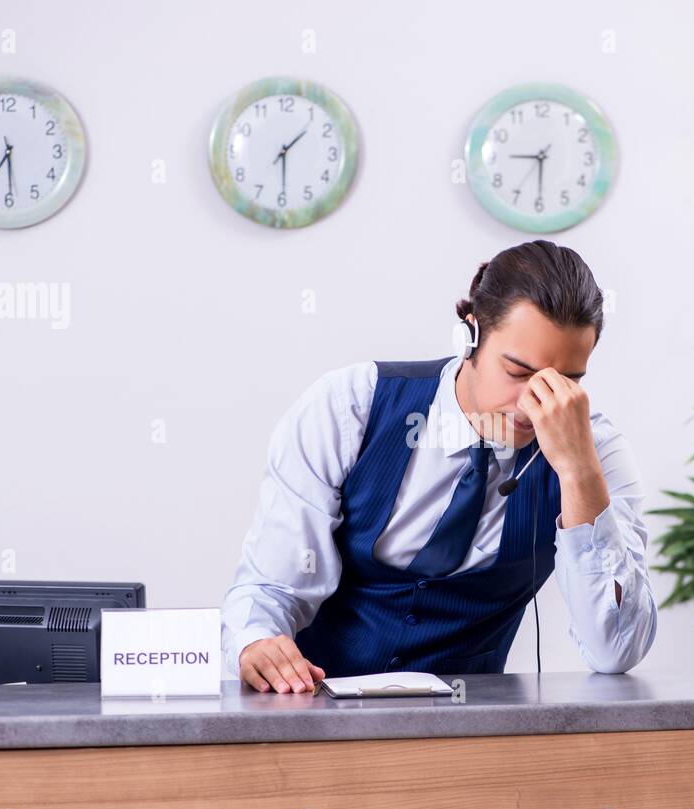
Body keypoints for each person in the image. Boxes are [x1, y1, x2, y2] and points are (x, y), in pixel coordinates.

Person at [221, 239, 657, 693]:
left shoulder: (597, 453)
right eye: (517, 372)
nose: (534, 405)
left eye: (564, 382)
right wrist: (255, 642)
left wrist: (578, 473)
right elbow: (271, 589)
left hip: (471, 732)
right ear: (469, 337)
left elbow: (614, 650)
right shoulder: (349, 406)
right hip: (314, 714)